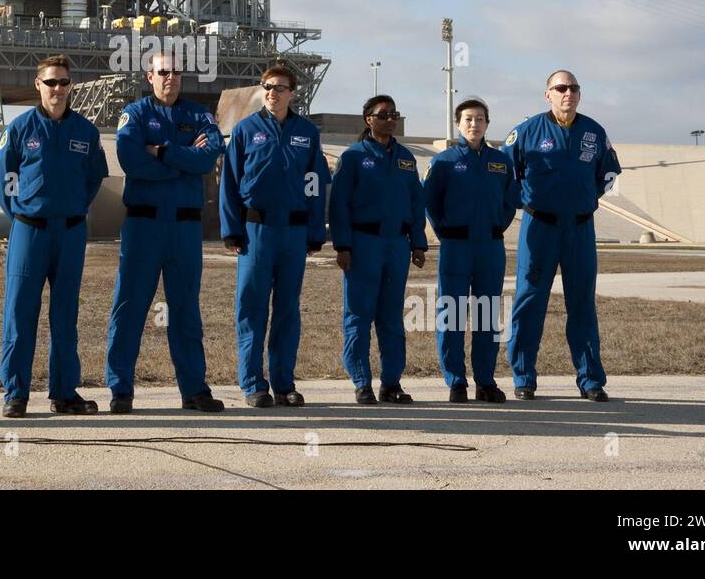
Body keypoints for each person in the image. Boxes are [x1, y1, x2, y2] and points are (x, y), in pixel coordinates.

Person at [104, 51, 226, 413]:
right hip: (144, 225)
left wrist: (163, 151)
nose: (170, 77)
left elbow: (209, 158)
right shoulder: (136, 113)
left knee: (186, 309)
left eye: (175, 72)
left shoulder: (198, 115)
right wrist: (183, 162)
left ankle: (194, 389)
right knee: (130, 306)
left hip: (186, 227)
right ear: (150, 76)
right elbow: (131, 160)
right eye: (163, 72)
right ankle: (120, 389)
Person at [0, 55, 108, 418]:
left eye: (64, 83)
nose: (58, 89)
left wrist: (70, 209)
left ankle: (63, 392)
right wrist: (22, 214)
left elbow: (93, 180)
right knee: (20, 313)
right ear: (38, 85)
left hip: (70, 233)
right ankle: (16, 393)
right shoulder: (20, 129)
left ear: (71, 87)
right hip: (30, 231)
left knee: (65, 314)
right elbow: (2, 177)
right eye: (51, 82)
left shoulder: (85, 131)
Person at [503, 70, 621, 401]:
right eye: (561, 88)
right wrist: (522, 202)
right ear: (548, 94)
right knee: (530, 301)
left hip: (580, 228)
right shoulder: (526, 132)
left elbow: (608, 173)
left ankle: (590, 379)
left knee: (582, 303)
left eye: (573, 88)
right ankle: (523, 376)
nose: (568, 93)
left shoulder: (594, 132)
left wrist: (585, 197)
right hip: (539, 227)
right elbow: (504, 173)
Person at [220, 63, 329, 407]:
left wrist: (314, 231)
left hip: (294, 233)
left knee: (287, 309)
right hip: (256, 232)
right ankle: (253, 383)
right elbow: (230, 184)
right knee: (251, 307)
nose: (272, 93)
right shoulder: (244, 131)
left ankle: (283, 383)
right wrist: (231, 230)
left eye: (280, 87)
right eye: (267, 86)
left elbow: (315, 184)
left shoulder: (307, 134)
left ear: (292, 93)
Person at [327, 94, 427, 404]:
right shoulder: (354, 157)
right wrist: (342, 245)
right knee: (358, 315)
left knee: (391, 317)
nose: (389, 119)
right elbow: (339, 204)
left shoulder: (406, 159)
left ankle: (391, 382)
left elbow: (416, 202)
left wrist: (418, 242)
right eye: (383, 114)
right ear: (368, 119)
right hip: (363, 244)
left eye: (394, 114)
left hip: (396, 245)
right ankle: (361, 382)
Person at [423, 96, 517, 403]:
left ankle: (485, 380)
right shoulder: (445, 161)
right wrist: (447, 232)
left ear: (487, 123)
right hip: (456, 246)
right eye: (468, 119)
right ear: (458, 124)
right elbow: (431, 203)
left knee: (487, 314)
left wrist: (495, 228)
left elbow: (508, 202)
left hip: (490, 246)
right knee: (451, 313)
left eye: (479, 119)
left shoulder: (501, 162)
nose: (474, 124)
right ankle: (456, 381)